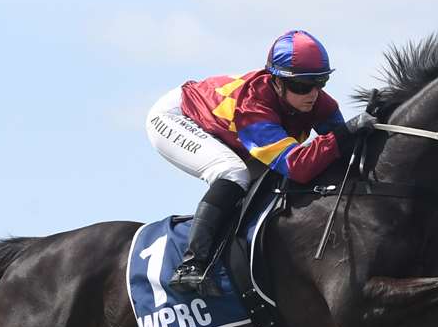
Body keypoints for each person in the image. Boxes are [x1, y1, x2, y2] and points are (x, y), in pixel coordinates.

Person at [145, 29, 377, 293]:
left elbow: (341, 150)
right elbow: (298, 166)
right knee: (233, 173)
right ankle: (191, 265)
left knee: (271, 177)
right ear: (276, 82)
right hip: (177, 117)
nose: (312, 94)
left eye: (319, 83)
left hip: (230, 133)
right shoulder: (254, 108)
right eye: (301, 86)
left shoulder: (319, 103)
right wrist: (345, 133)